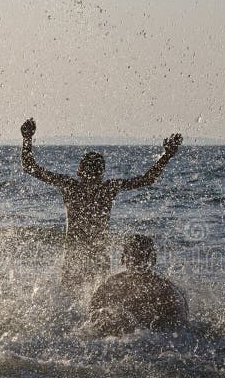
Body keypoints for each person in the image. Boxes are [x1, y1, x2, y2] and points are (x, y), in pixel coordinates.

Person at [20, 117, 182, 291]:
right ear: (102, 172)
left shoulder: (69, 186)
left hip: (74, 255)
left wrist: (27, 139)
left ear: (79, 171)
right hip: (99, 255)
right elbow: (148, 179)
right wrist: (167, 155)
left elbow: (29, 167)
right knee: (100, 300)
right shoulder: (108, 188)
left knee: (70, 298)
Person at [88, 234, 188, 334]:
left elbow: (92, 314)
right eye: (134, 255)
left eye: (140, 255)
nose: (137, 259)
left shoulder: (111, 284)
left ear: (123, 258)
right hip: (149, 338)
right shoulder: (166, 287)